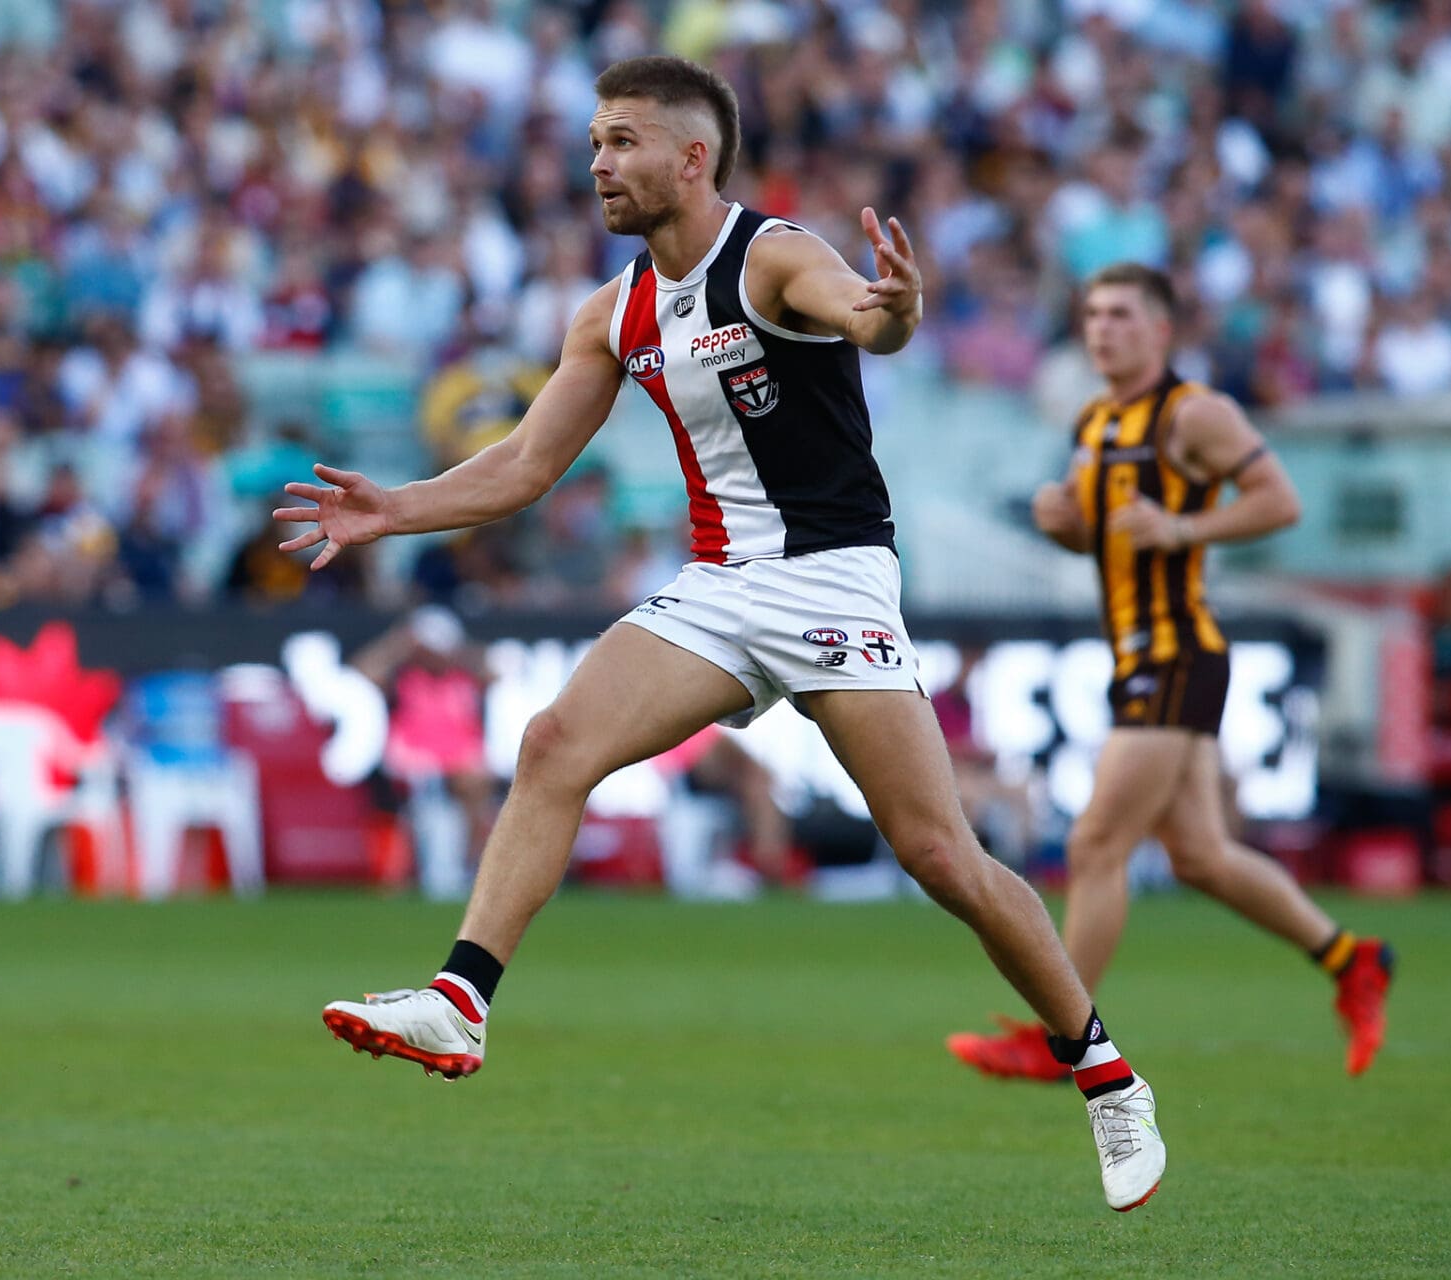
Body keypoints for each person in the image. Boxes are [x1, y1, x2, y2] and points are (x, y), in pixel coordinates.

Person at [274, 56, 1165, 1213]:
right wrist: (396, 507)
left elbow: (866, 316)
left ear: (692, 159)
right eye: (595, 140)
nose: (599, 162)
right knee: (552, 744)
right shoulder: (612, 311)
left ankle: (1104, 1071)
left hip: (835, 580)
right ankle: (462, 996)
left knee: (940, 854)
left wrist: (893, 307)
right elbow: (528, 464)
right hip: (720, 584)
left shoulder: (776, 254)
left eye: (624, 141)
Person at [948, 263, 1395, 1083]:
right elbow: (1106, 537)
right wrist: (1065, 528)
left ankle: (1060, 1042)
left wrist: (1184, 527)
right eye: (1092, 314)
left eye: (1121, 314)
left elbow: (1278, 501)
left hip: (1177, 649)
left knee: (1096, 843)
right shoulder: (1093, 422)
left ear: (1161, 329)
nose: (1102, 329)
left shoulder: (1196, 415)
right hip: (1137, 653)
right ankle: (1351, 959)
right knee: (1198, 857)